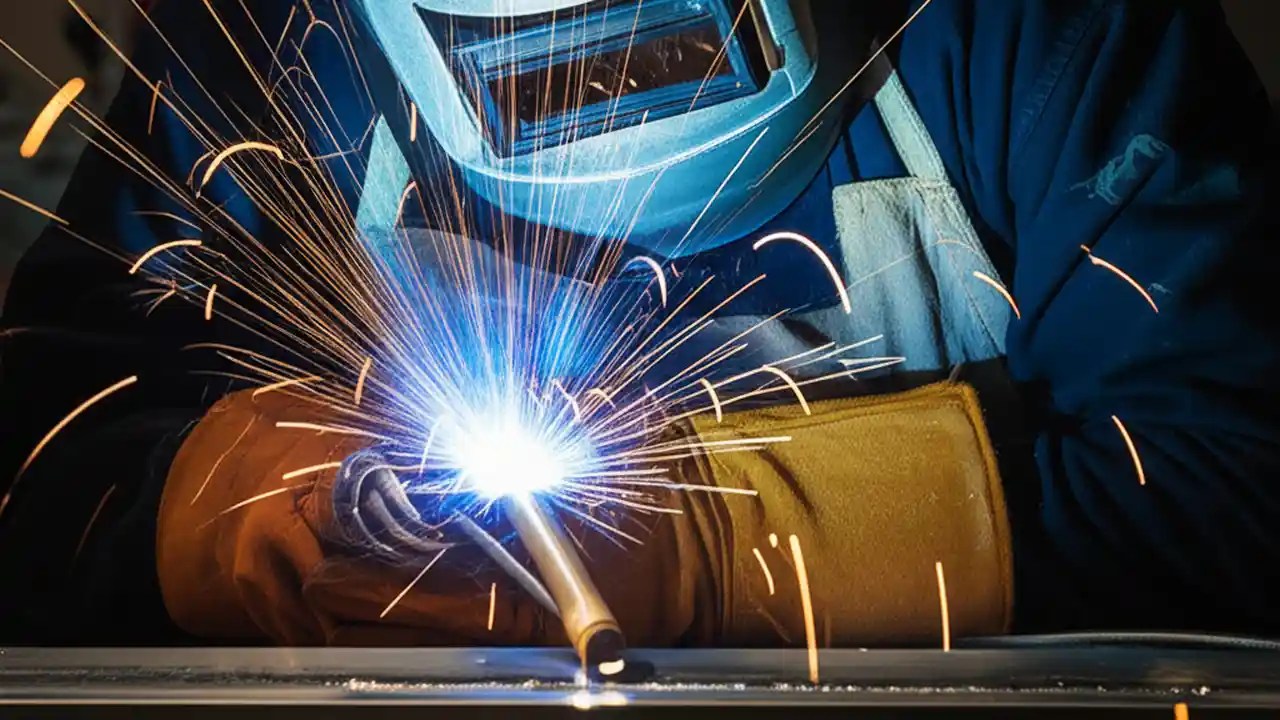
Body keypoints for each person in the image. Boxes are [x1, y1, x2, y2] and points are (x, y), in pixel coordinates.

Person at [2, 0, 1278, 647]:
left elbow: (1238, 485)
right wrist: (204, 514)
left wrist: (719, 545)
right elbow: (38, 469)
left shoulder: (1033, 33)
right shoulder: (273, 52)